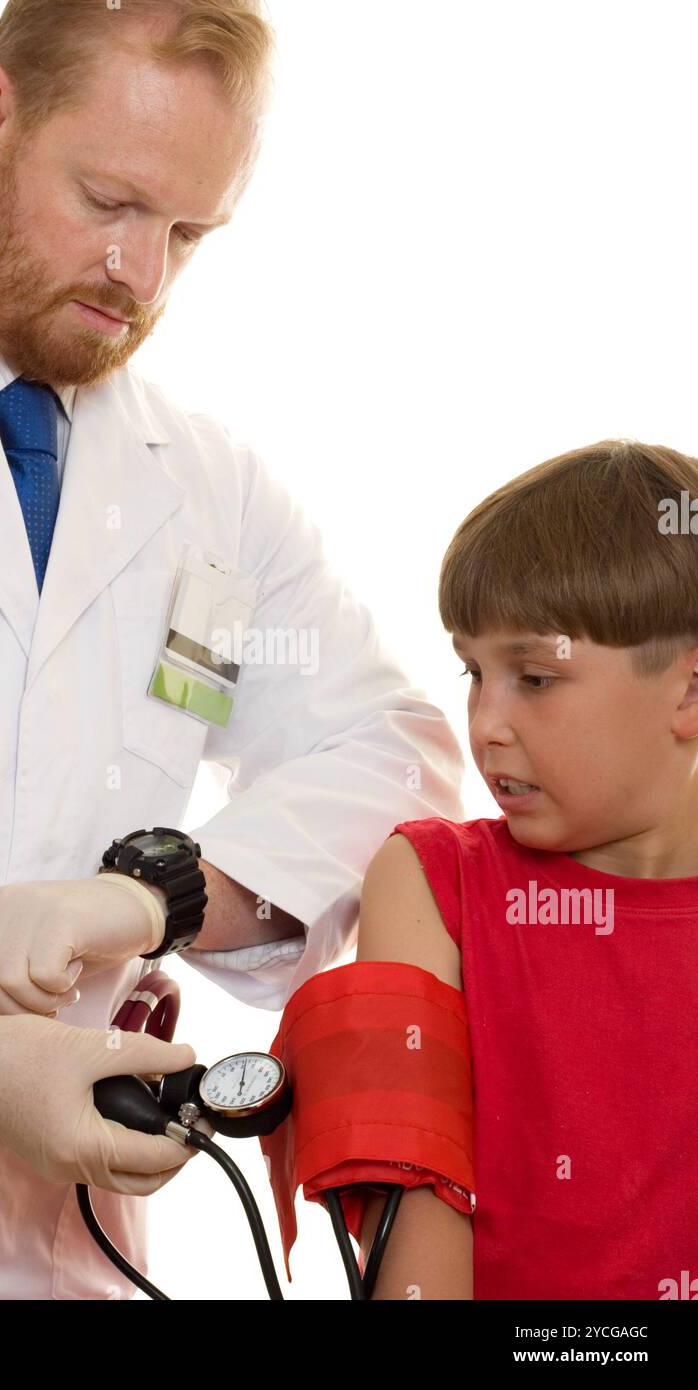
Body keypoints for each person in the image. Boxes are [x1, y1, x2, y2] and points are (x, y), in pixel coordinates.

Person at [0, 0, 465, 1300]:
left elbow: (391, 750)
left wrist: (153, 897)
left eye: (188, 232)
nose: (142, 276)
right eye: (110, 201)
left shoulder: (206, 488)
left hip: (61, 1262)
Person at [354, 438, 698, 1299]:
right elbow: (417, 1236)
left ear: (690, 695)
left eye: (535, 678)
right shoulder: (432, 885)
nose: (485, 724)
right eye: (474, 673)